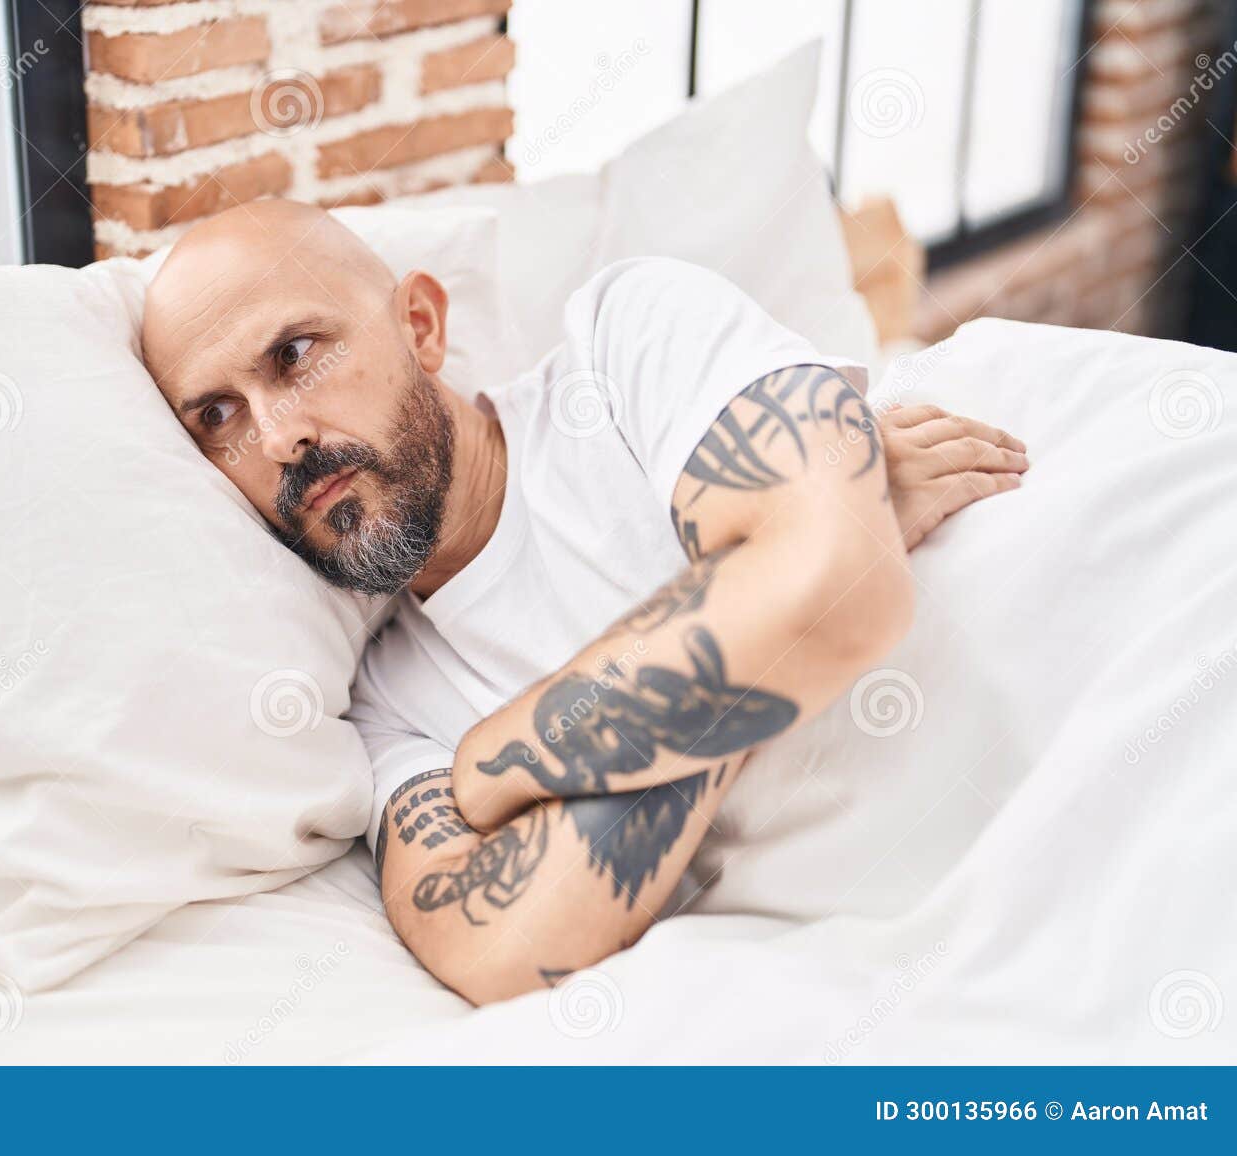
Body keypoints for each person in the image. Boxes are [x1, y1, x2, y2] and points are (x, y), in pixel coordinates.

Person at [142, 199, 1027, 1005]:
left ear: (419, 325)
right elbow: (504, 950)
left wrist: (497, 761)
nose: (278, 436)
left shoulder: (628, 345)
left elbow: (843, 598)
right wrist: (770, 589)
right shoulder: (381, 710)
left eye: (295, 356)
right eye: (217, 418)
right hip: (949, 947)